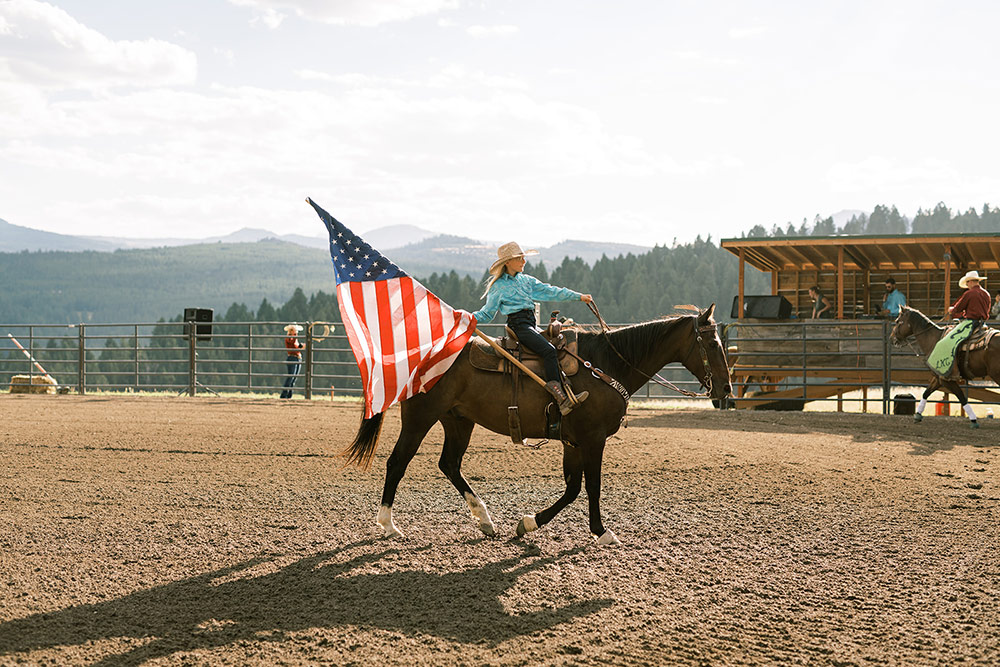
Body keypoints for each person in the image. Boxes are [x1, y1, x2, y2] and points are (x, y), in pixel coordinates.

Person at [472, 242, 592, 415]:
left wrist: (578, 297)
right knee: (549, 351)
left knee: (558, 347)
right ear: (508, 262)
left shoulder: (527, 281)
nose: (524, 261)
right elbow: (487, 314)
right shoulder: (498, 287)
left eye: (523, 257)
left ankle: (565, 389)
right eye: (519, 258)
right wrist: (467, 317)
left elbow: (551, 291)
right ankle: (561, 399)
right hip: (519, 326)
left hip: (531, 324)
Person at [927, 271, 990, 381]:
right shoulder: (986, 294)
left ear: (970, 282)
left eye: (967, 283)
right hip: (982, 324)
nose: (967, 285)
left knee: (948, 341)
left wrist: (952, 310)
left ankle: (953, 370)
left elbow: (958, 308)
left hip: (970, 323)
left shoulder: (969, 294)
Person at [280, 323, 304, 399]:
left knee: (294, 378)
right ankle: (284, 394)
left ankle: (289, 395)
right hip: (292, 358)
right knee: (291, 376)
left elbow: (296, 346)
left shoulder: (294, 338)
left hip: (297, 358)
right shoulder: (289, 338)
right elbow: (292, 342)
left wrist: (302, 345)